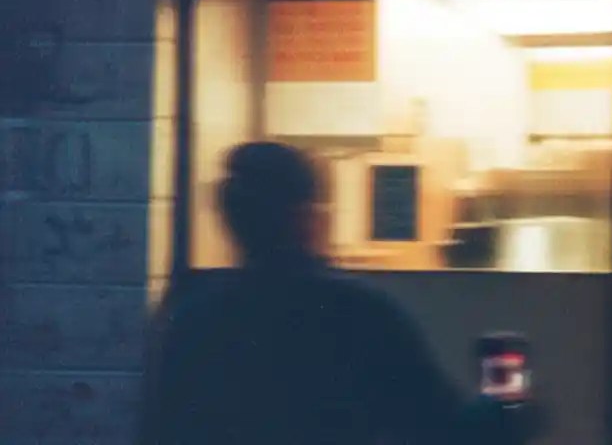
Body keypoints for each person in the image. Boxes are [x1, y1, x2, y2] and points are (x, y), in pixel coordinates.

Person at [138, 142, 500, 445]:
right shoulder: (360, 313)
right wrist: (504, 411)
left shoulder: (193, 318)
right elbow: (440, 428)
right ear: (309, 217)